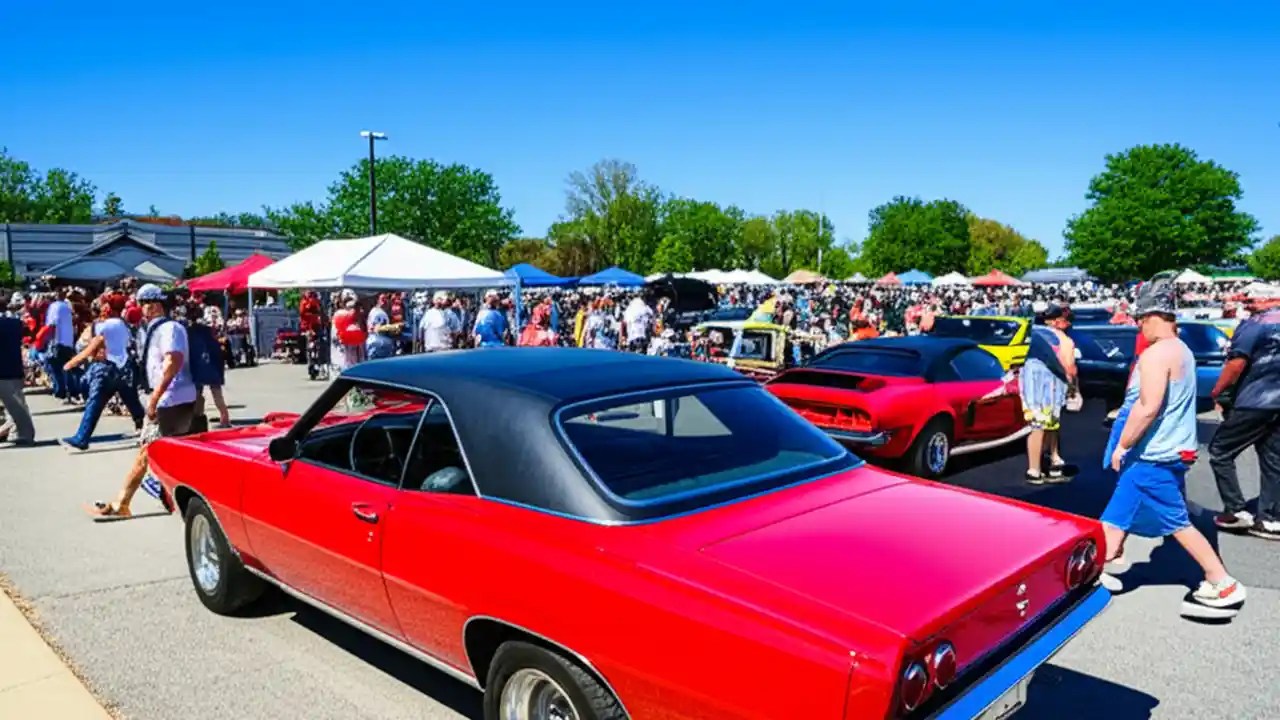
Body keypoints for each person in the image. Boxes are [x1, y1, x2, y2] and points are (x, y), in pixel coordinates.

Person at [1100, 275, 1246, 616]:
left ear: (1150, 316)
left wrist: (1122, 445)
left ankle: (1221, 582)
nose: (1139, 328)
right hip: (1173, 451)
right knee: (1117, 517)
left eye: (1139, 320)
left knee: (1175, 522)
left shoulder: (1155, 355)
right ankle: (1099, 569)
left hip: (1154, 456)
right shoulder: (1182, 350)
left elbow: (1147, 406)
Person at [86, 284, 197, 521]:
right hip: (170, 397)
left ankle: (123, 503)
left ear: (156, 305)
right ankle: (172, 499)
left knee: (148, 452)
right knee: (164, 453)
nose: (143, 309)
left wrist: (155, 399)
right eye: (142, 303)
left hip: (171, 398)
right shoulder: (157, 329)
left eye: (146, 303)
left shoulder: (169, 329)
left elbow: (172, 362)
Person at [1208, 284, 1280, 540]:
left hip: (1254, 400)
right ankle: (1271, 519)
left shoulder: (1255, 324)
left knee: (1220, 451)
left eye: (1250, 299)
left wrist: (1217, 390)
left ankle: (1237, 509)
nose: (1246, 303)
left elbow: (1236, 363)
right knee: (1273, 459)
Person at [58, 304, 146, 450]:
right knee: (132, 403)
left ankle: (82, 438)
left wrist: (70, 364)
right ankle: (147, 429)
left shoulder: (104, 329)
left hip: (105, 371)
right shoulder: (125, 328)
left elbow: (89, 350)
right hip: (125, 369)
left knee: (94, 405)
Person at [1019, 304, 1077, 483]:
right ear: (1059, 321)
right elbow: (1070, 367)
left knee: (1040, 425)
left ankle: (1049, 463)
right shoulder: (1063, 340)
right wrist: (1074, 387)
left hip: (1032, 386)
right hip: (1050, 387)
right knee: (1048, 425)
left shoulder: (1033, 334)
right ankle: (1036, 469)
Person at [0, 293, 36, 446]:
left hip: (4, 370)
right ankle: (20, 432)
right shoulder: (15, 323)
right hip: (13, 368)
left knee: (14, 406)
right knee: (16, 405)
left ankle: (24, 434)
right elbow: (28, 333)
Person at [44, 288, 77, 401]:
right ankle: (71, 392)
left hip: (57, 341)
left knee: (54, 367)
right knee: (67, 367)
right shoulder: (67, 306)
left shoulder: (54, 307)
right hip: (68, 342)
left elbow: (52, 325)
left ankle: (60, 391)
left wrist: (49, 341)